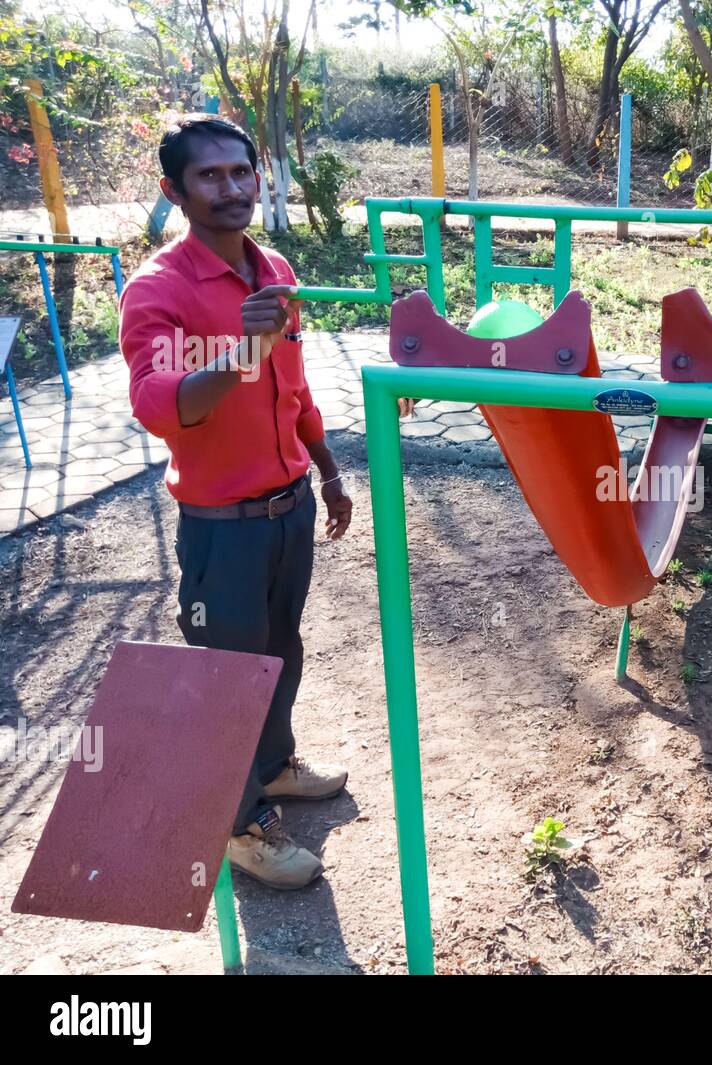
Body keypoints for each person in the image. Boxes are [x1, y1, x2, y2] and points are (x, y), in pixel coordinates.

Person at [119, 113, 353, 890]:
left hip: (288, 510)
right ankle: (240, 826)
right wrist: (241, 347)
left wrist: (326, 468)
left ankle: (274, 766)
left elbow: (296, 386)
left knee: (281, 651)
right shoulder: (159, 290)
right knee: (226, 679)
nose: (230, 188)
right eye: (209, 176)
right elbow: (161, 404)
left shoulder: (275, 269)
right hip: (222, 530)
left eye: (240, 172)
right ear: (175, 190)